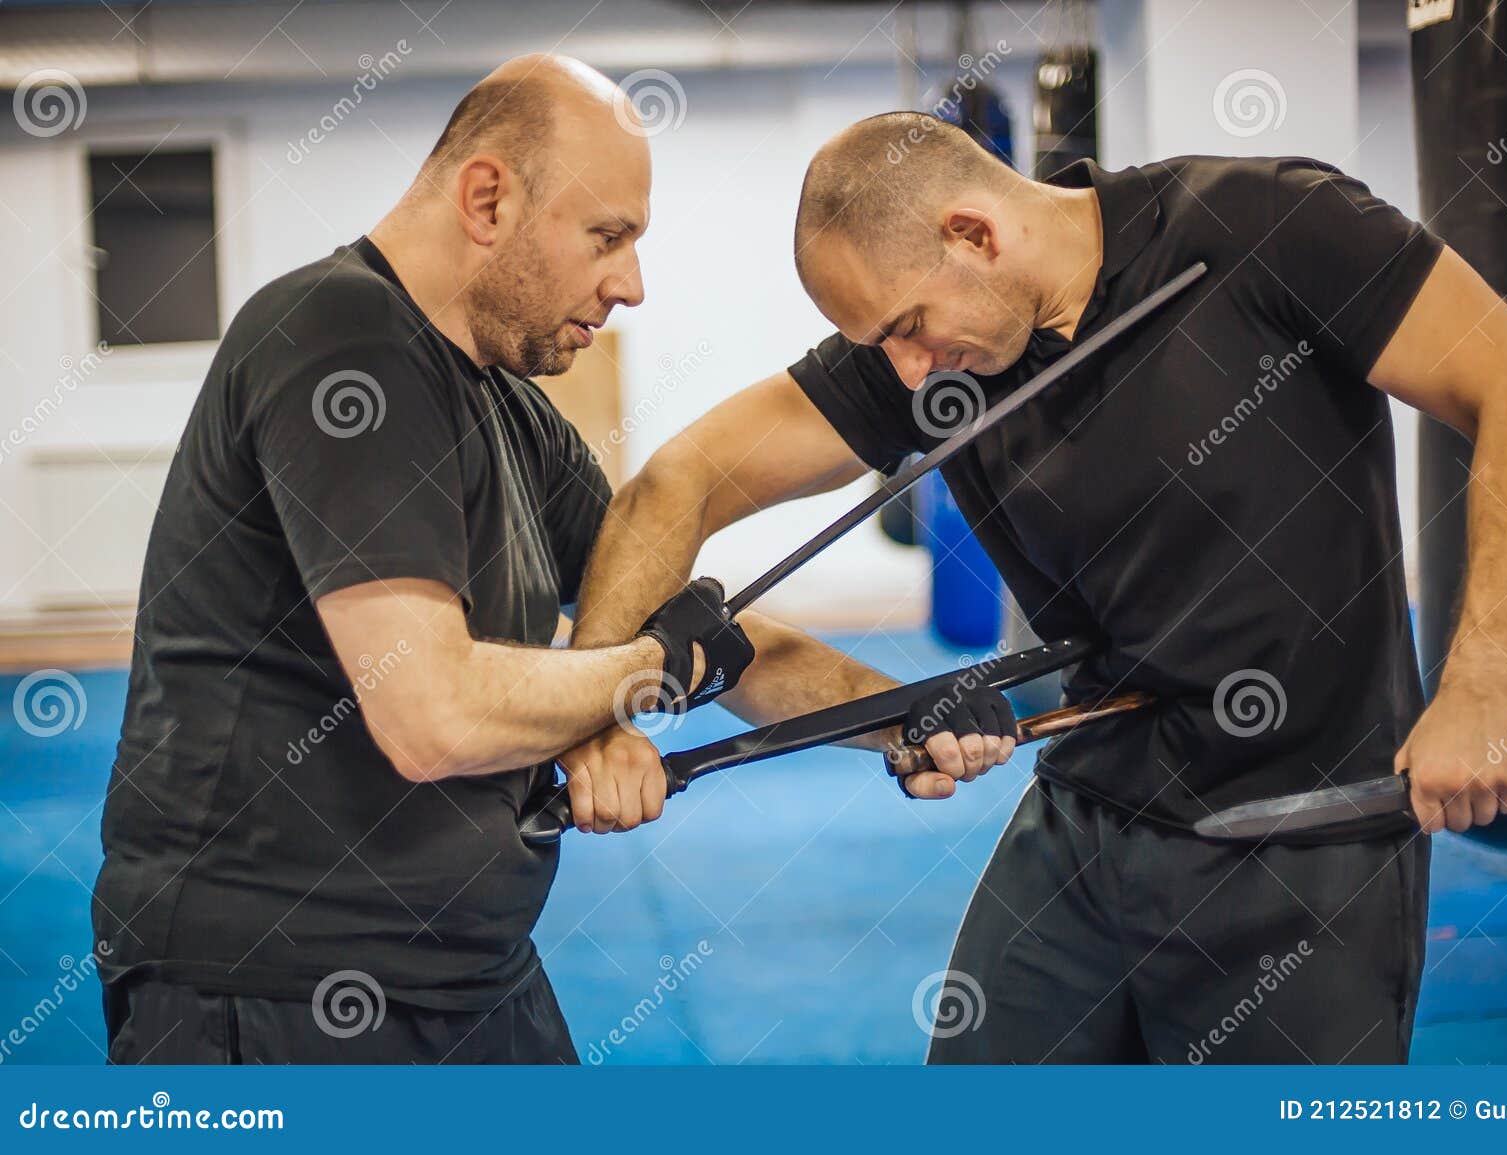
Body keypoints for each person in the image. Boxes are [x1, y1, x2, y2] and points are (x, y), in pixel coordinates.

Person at [564, 113, 1507, 1063]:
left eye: (911, 328)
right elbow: (677, 482)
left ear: (974, 233)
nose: (913, 376)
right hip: (1087, 819)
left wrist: (1484, 688)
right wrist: (597, 712)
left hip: (1307, 841)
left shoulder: (1263, 226)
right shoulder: (925, 355)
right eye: (886, 347)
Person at [89, 57, 1008, 1066]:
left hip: (466, 973)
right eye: (607, 238)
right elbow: (432, 714)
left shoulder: (512, 412)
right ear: (487, 198)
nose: (632, 284)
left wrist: (895, 715)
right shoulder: (337, 341)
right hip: (267, 989)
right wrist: (643, 680)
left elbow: (709, 633)